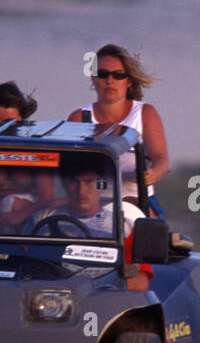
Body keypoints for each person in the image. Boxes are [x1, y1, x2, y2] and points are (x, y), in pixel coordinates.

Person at [67, 44, 168, 215]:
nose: (110, 81)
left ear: (128, 81)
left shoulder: (145, 113)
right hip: (91, 202)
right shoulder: (78, 118)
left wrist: (153, 173)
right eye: (103, 74)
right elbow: (68, 168)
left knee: (153, 234)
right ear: (93, 78)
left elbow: (161, 158)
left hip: (139, 198)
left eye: (118, 75)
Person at [22, 159, 144, 239]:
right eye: (74, 182)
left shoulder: (121, 226)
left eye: (88, 182)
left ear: (101, 185)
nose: (81, 191)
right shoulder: (40, 219)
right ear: (64, 184)